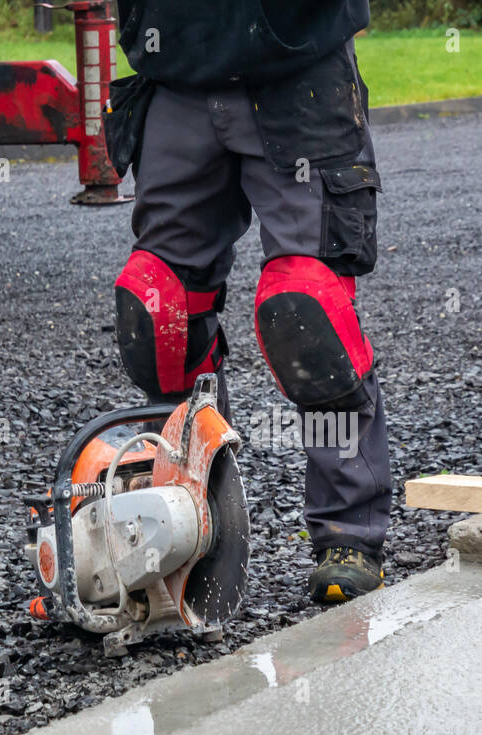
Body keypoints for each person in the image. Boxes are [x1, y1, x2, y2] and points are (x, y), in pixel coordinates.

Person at [105, 1, 392, 602]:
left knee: (308, 312)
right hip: (176, 61)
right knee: (162, 311)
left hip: (296, 65)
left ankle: (348, 530)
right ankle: (189, 520)